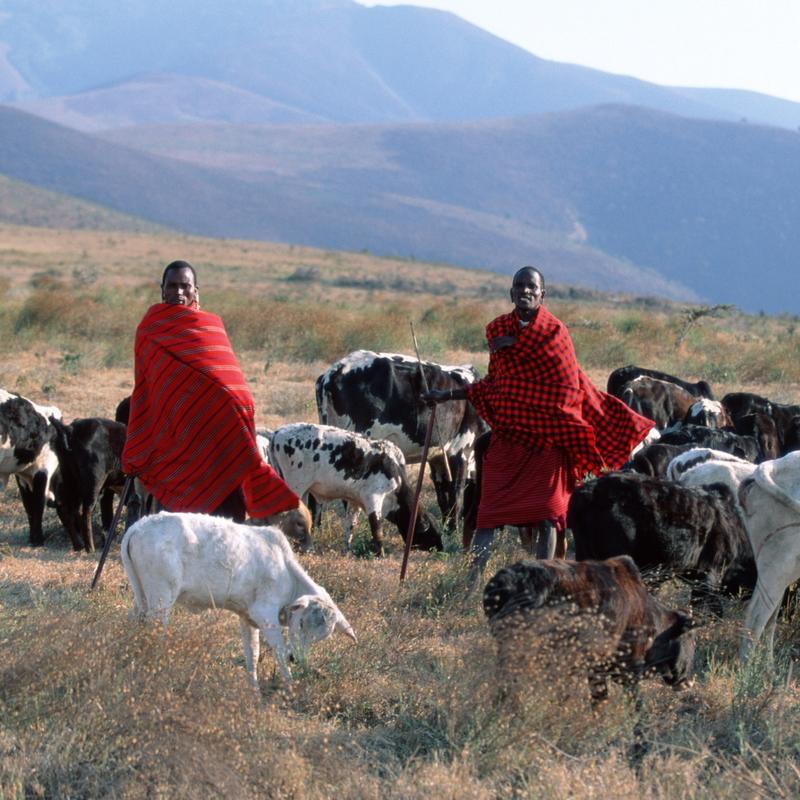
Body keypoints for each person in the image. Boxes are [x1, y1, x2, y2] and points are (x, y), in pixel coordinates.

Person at [424, 266, 654, 576]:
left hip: (547, 442)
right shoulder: (496, 330)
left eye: (531, 286)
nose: (525, 290)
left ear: (542, 294)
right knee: (488, 515)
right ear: (511, 292)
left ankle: (542, 578)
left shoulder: (555, 333)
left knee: (548, 516)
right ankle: (467, 586)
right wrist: (447, 396)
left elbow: (567, 389)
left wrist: (541, 413)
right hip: (508, 441)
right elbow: (497, 384)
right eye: (519, 285)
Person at [121, 260, 299, 521]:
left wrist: (235, 405)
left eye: (185, 286)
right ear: (162, 290)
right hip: (174, 433)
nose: (179, 293)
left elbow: (230, 380)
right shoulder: (150, 329)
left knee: (225, 521)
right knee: (181, 522)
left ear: (196, 290)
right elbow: (146, 388)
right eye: (172, 286)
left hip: (219, 435)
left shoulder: (211, 326)